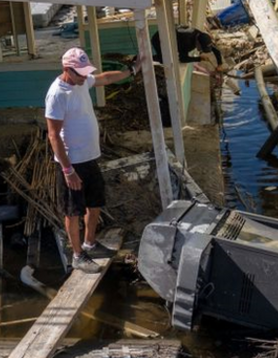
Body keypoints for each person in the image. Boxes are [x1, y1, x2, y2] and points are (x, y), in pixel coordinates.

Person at [44, 47, 136, 273]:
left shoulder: (82, 80)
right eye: (80, 73)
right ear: (67, 69)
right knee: (73, 210)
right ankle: (77, 255)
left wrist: (131, 71)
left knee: (94, 204)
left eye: (86, 72)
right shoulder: (57, 94)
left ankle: (90, 242)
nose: (85, 77)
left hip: (89, 158)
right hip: (71, 163)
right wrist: (68, 171)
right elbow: (53, 135)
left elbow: (105, 78)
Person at [151, 26, 224, 68]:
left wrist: (220, 64)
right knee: (164, 59)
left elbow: (216, 50)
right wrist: (199, 59)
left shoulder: (202, 36)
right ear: (198, 43)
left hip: (171, 35)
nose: (200, 50)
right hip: (159, 39)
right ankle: (147, 59)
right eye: (201, 49)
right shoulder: (187, 42)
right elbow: (183, 59)